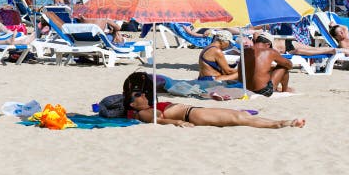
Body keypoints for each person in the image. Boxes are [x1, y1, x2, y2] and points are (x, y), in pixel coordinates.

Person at [122, 72, 304, 128]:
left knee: (240, 116)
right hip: (191, 114)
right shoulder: (143, 113)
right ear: (131, 104)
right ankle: (280, 123)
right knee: (238, 118)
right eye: (137, 95)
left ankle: (279, 122)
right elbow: (158, 119)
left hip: (196, 111)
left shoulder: (147, 106)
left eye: (142, 92)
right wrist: (177, 122)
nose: (143, 95)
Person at [241, 32, 293, 96]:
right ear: (268, 44)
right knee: (283, 68)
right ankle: (285, 90)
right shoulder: (270, 52)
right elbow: (289, 65)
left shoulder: (245, 51)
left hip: (246, 88)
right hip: (263, 91)